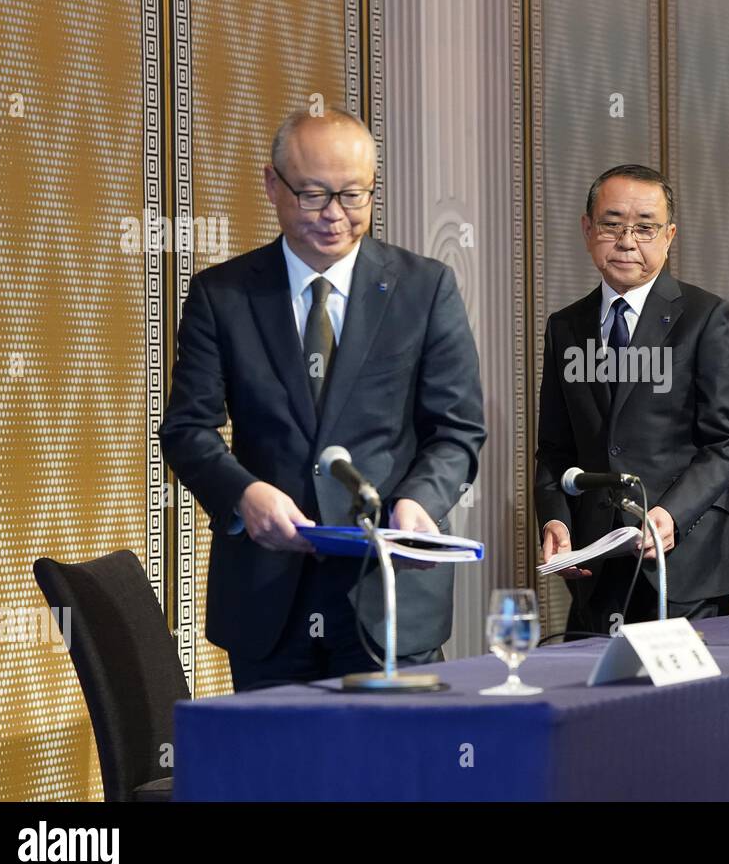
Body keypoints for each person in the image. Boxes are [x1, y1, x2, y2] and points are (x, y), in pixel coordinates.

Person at [159, 107, 485, 690]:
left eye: (353, 196)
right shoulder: (223, 295)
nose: (335, 215)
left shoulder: (425, 287)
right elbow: (188, 429)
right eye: (312, 195)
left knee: (392, 778)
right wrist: (244, 495)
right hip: (268, 596)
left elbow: (456, 430)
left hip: (387, 590)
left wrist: (420, 502)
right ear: (272, 184)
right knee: (281, 777)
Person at [535, 164, 729, 634]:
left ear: (669, 235)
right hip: (595, 565)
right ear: (588, 230)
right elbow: (554, 449)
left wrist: (671, 514)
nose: (628, 241)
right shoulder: (565, 326)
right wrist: (555, 519)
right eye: (612, 224)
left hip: (681, 562)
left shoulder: (705, 317)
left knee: (682, 707)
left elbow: (727, 443)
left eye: (645, 227)